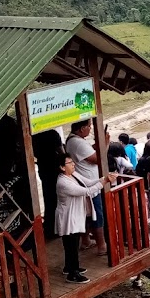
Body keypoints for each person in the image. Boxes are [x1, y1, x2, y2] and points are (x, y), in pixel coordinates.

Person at [56, 155, 113, 284]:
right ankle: (73, 273)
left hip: (74, 215)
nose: (73, 165)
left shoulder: (74, 175)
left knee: (73, 242)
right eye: (69, 163)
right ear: (62, 167)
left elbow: (87, 182)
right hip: (67, 217)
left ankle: (70, 267)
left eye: (72, 162)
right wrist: (104, 182)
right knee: (71, 244)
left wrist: (103, 179)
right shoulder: (63, 182)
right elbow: (86, 191)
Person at [66, 119, 107, 255]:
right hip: (90, 185)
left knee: (87, 214)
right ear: (82, 128)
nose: (90, 129)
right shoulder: (77, 143)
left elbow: (90, 152)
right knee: (96, 214)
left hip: (83, 183)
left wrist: (99, 143)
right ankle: (102, 245)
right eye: (89, 127)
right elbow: (98, 158)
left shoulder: (74, 140)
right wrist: (105, 143)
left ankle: (86, 241)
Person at [33, 129, 65, 238]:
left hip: (43, 169)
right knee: (59, 200)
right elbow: (62, 153)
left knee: (48, 198)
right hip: (55, 170)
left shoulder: (35, 136)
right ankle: (59, 228)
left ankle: (49, 228)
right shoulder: (52, 134)